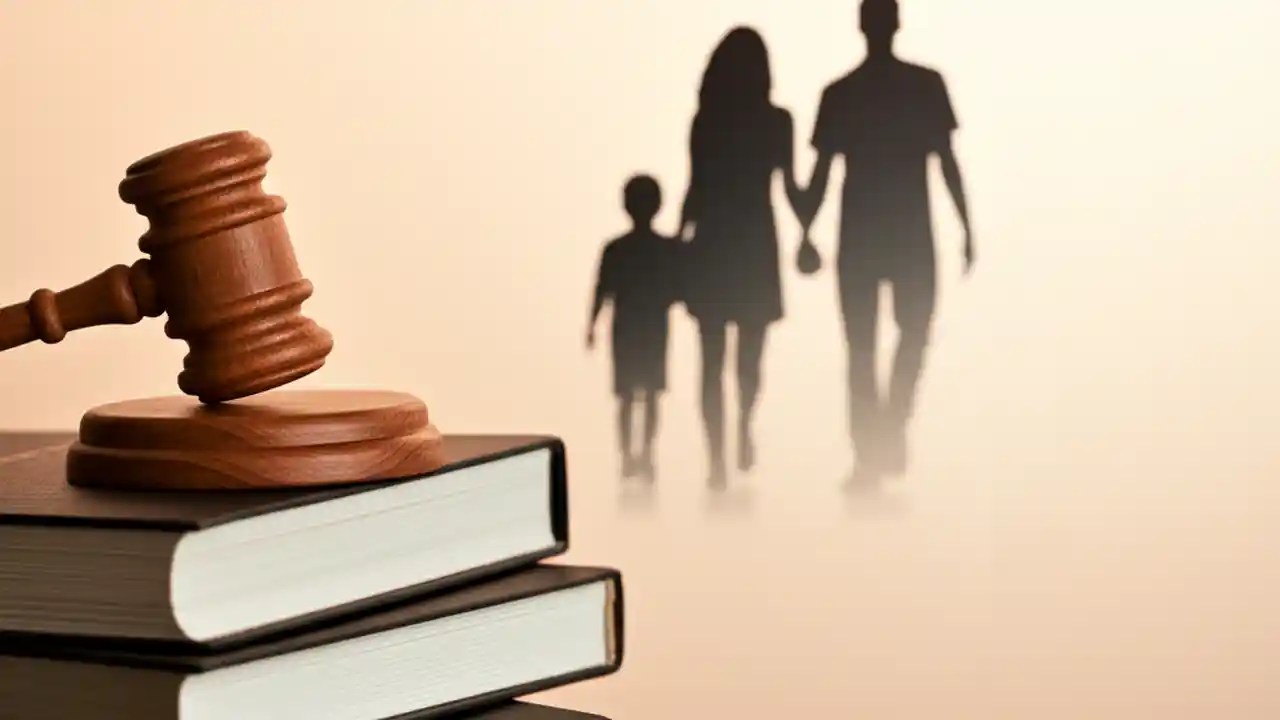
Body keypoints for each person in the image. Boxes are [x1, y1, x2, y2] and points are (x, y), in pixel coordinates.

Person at [801, 0, 974, 482]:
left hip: (865, 233)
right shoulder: (923, 86)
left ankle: (877, 442)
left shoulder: (842, 93)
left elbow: (820, 178)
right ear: (896, 24)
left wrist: (805, 226)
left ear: (862, 26)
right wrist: (965, 225)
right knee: (906, 334)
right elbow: (946, 161)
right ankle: (885, 435)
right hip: (906, 233)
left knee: (864, 344)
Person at [678, 26, 808, 486]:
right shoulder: (777, 121)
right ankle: (743, 429)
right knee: (749, 358)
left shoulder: (707, 121)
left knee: (712, 361)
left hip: (714, 240)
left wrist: (679, 241)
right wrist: (809, 222)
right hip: (754, 240)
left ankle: (718, 456)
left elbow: (695, 188)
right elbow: (791, 188)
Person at [587, 175, 683, 479]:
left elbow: (602, 291)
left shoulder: (617, 249)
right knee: (647, 394)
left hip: (628, 327)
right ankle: (641, 455)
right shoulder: (665, 249)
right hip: (650, 326)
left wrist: (592, 324)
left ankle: (632, 456)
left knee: (629, 395)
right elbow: (678, 289)